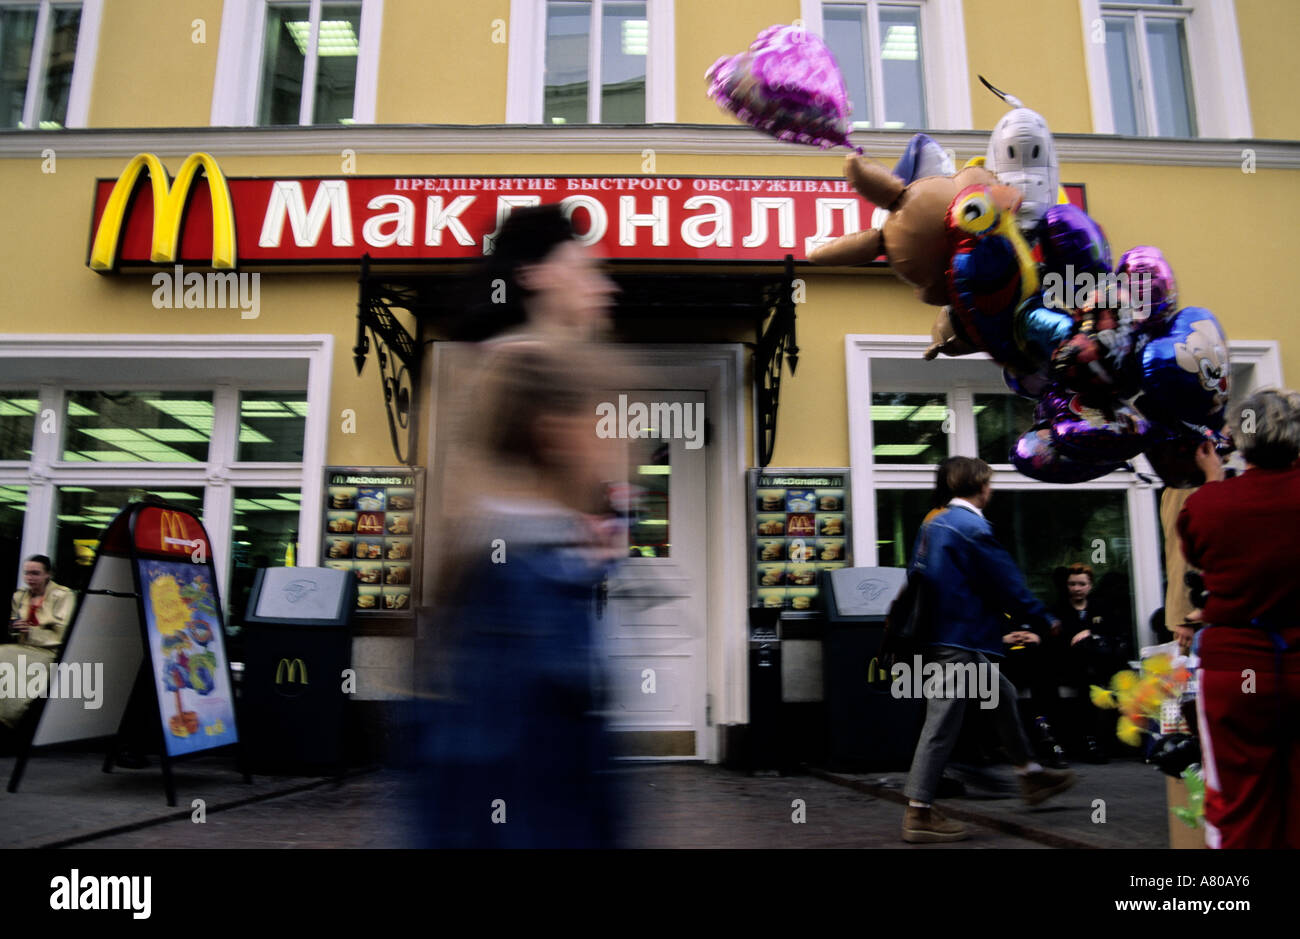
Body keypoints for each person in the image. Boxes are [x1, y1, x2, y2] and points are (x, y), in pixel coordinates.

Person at [901, 457, 1075, 843]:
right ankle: (918, 812)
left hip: (947, 637)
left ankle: (1030, 774)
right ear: (980, 487)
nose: (991, 490)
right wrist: (1043, 617)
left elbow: (916, 575)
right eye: (989, 483)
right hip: (959, 639)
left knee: (1003, 694)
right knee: (942, 723)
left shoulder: (933, 522)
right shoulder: (972, 527)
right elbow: (1006, 580)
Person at [1177, 389, 1300, 849]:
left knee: (1240, 800)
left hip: (1240, 671)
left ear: (1241, 441)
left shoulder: (1209, 506)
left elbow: (1201, 553)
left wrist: (1214, 481)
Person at [1048, 562, 1129, 762]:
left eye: (1081, 584)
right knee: (1088, 685)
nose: (1076, 588)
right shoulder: (1058, 610)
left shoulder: (1101, 608)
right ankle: (1091, 742)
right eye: (1072, 584)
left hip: (1099, 664)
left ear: (1090, 585)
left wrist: (1091, 632)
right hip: (1071, 666)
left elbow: (1115, 631)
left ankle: (1109, 741)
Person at [1, 555, 77, 740]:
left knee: (6, 661)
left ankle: (6, 722)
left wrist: (31, 631)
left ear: (48, 575)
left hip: (49, 650)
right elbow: (14, 626)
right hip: (24, 647)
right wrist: (14, 628)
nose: (30, 578)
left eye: (36, 573)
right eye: (27, 573)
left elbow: (62, 634)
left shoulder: (63, 595)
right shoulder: (20, 596)